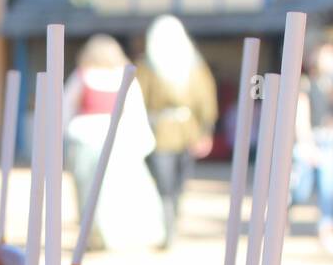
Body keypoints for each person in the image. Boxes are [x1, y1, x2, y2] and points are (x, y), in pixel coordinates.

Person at [63, 34, 162, 252]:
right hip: (96, 139)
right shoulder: (86, 76)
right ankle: (97, 236)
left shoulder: (97, 77)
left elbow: (66, 107)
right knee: (99, 191)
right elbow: (137, 111)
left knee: (99, 192)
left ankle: (98, 236)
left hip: (104, 141)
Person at [135, 15, 218, 250]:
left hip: (187, 131)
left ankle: (173, 223)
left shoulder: (195, 66)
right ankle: (167, 229)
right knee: (164, 185)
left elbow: (205, 98)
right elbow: (139, 98)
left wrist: (205, 130)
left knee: (179, 185)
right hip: (158, 134)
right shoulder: (147, 66)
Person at [292, 41, 333, 246]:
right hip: (309, 140)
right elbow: (301, 114)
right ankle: (281, 210)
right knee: (301, 190)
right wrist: (307, 144)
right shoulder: (305, 83)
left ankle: (326, 230)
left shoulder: (332, 85)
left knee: (328, 188)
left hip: (328, 142)